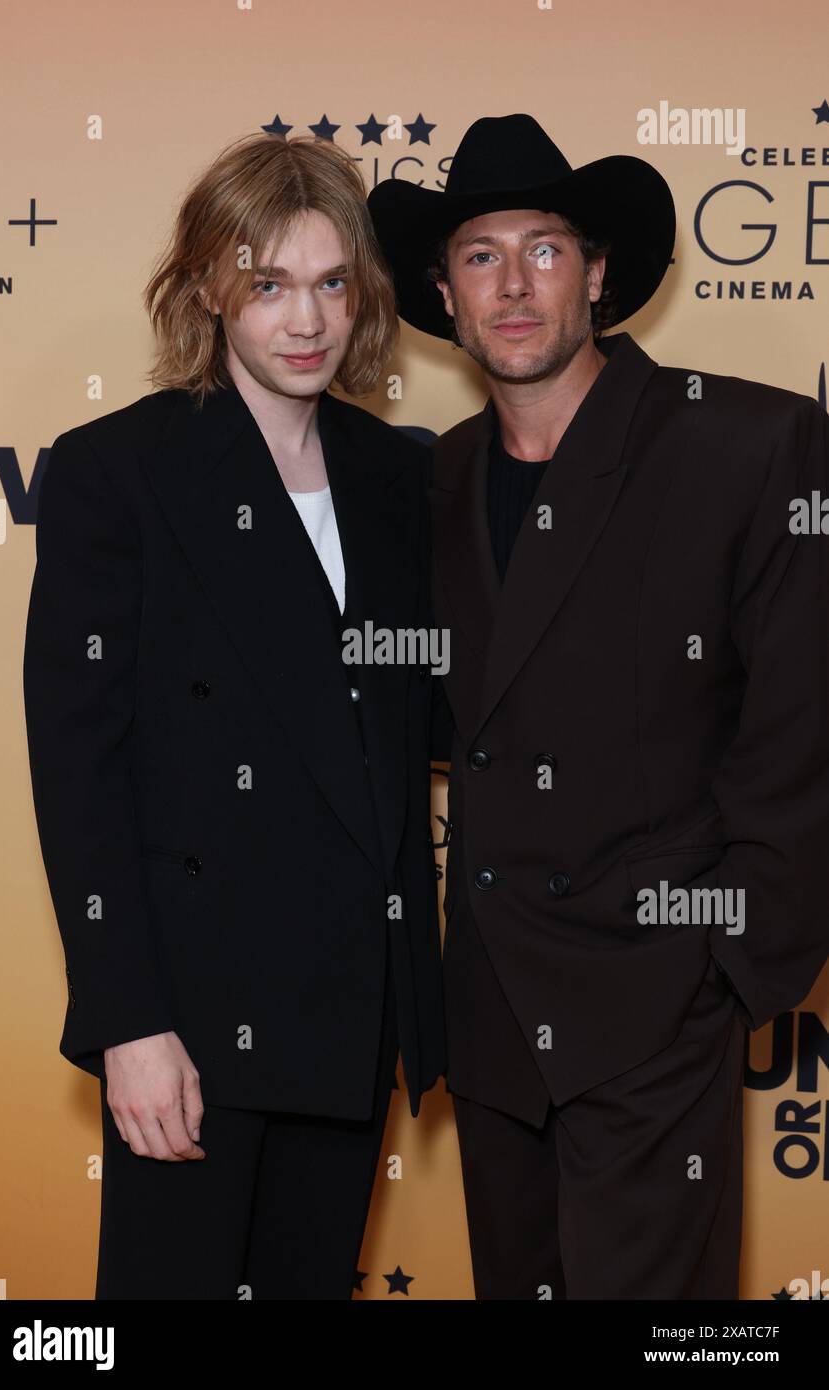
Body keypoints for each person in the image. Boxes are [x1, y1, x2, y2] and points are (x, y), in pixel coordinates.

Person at [368, 112, 829, 1299]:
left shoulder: (747, 440)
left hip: (651, 1000)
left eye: (543, 249)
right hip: (490, 1012)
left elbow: (799, 722)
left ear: (598, 271)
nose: (512, 285)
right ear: (444, 291)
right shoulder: (435, 480)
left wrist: (726, 957)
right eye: (479, 255)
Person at [23, 131, 445, 1300]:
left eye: (328, 283)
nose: (302, 320)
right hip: (194, 1020)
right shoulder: (122, 470)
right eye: (266, 284)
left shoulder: (394, 476)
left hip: (353, 1007)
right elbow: (79, 767)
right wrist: (129, 1023)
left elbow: (420, 716)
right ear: (208, 289)